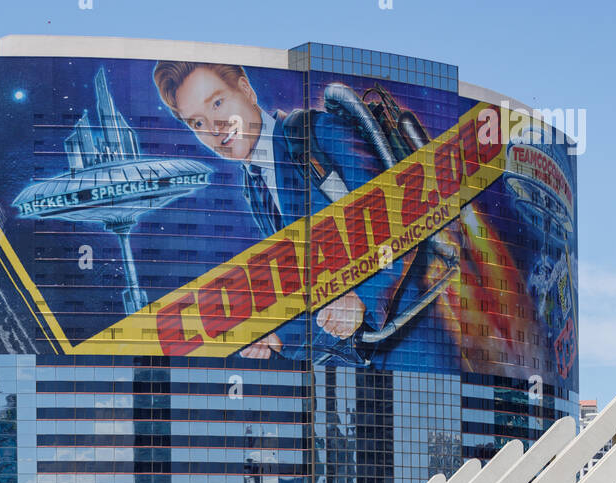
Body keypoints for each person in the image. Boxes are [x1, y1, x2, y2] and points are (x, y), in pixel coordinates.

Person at [152, 61, 453, 367]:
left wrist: (363, 296)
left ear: (246, 89)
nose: (215, 128)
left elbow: (403, 214)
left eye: (217, 103)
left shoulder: (319, 135)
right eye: (198, 124)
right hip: (366, 360)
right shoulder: (255, 187)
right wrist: (279, 337)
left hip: (417, 342)